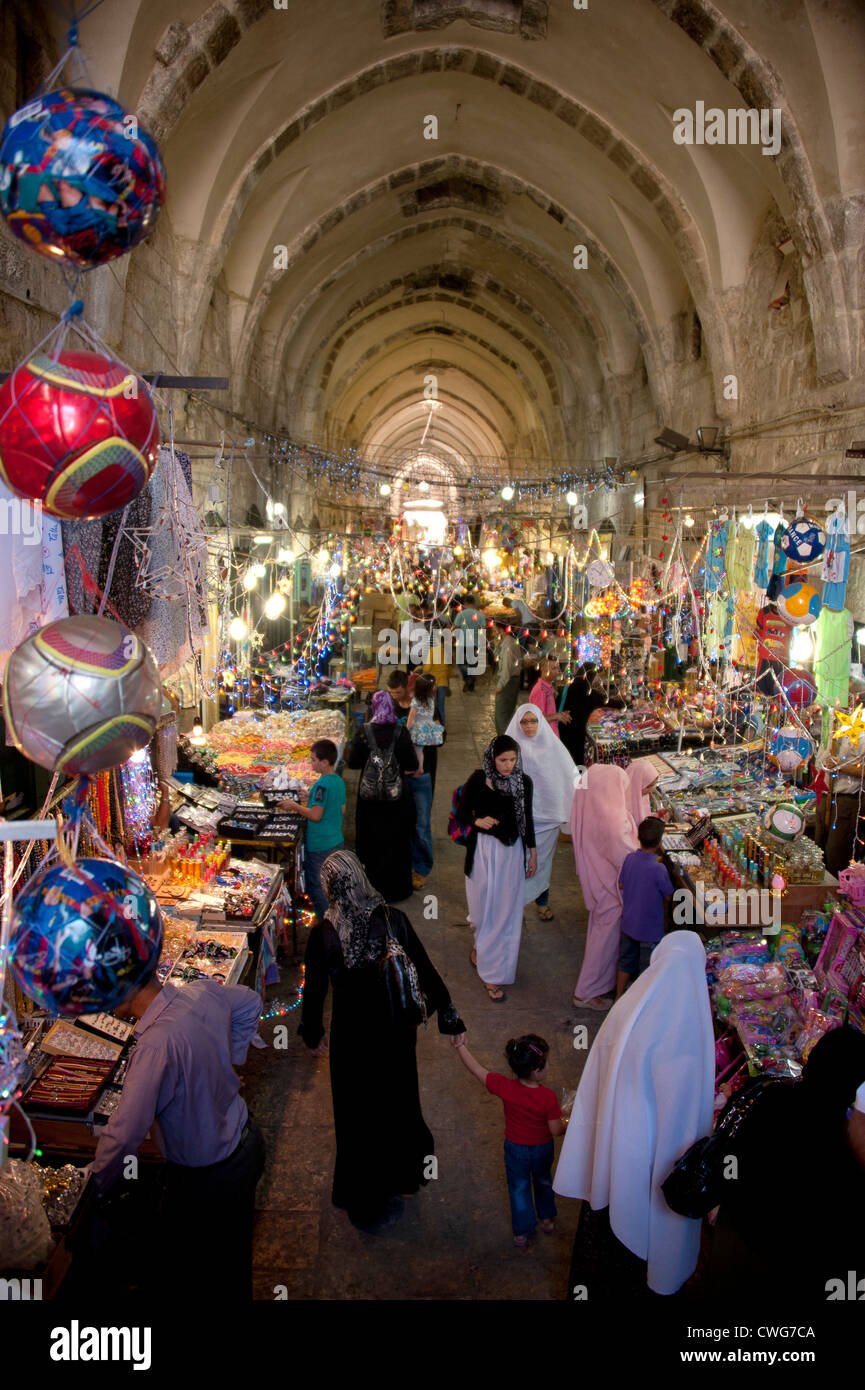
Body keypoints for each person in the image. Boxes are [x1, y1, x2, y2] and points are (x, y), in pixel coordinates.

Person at [298, 850, 465, 1231]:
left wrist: (313, 1032)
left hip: (351, 1042)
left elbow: (315, 991)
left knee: (356, 1115)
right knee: (397, 1103)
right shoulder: (393, 920)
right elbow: (424, 969)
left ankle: (363, 1198)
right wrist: (450, 1017)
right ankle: (400, 1178)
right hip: (394, 1035)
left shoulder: (323, 934)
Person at [554, 932, 715, 1297]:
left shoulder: (628, 1007)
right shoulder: (685, 1034)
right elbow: (682, 1128)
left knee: (604, 1240)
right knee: (639, 1251)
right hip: (650, 1169)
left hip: (614, 1152)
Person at [91, 972, 265, 1299]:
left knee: (199, 1277)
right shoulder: (200, 992)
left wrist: (95, 1183)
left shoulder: (155, 1046)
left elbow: (126, 1134)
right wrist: (230, 1061)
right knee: (232, 1266)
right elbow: (250, 1002)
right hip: (245, 1144)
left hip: (211, 1178)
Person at [709, 1027, 865, 1300]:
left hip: (734, 1241)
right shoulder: (841, 1150)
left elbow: (732, 1159)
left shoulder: (772, 1098)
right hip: (779, 1273)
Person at [452, 1032, 565, 1246]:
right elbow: (555, 1130)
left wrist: (460, 1046)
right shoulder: (548, 1097)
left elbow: (477, 1069)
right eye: (547, 1062)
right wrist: (567, 1121)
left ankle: (521, 1232)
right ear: (537, 1071)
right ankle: (547, 1220)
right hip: (541, 1150)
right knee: (543, 1181)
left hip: (515, 1150)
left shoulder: (505, 1087)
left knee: (519, 1188)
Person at [456, 734, 537, 1002]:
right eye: (503, 760)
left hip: (510, 854)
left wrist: (532, 852)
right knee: (481, 912)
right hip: (482, 853)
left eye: (512, 759)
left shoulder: (523, 783)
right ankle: (480, 948)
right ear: (492, 758)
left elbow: (527, 821)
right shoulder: (478, 780)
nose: (508, 765)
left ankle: (492, 973)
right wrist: (477, 821)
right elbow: (462, 813)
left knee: (503, 914)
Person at [571, 763, 638, 1010]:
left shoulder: (590, 804)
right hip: (609, 882)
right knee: (604, 937)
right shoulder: (612, 818)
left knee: (600, 931)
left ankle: (595, 985)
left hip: (595, 876)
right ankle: (586, 992)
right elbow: (623, 851)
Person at [506, 703, 576, 920]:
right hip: (517, 819)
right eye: (524, 722)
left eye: (533, 721)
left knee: (543, 863)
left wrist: (563, 807)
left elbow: (568, 776)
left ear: (540, 722)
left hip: (547, 819)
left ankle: (542, 902)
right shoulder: (509, 749)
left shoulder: (553, 747)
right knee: (515, 864)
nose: (528, 726)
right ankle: (512, 904)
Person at [347, 690, 417, 901]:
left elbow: (353, 763)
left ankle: (371, 890)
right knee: (396, 843)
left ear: (373, 708)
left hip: (369, 802)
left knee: (371, 845)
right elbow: (412, 764)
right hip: (396, 800)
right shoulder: (401, 732)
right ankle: (397, 890)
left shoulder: (363, 732)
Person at [279, 738, 345, 923]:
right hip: (335, 841)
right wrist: (312, 797)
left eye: (313, 760)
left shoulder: (322, 785)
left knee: (318, 889)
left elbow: (315, 815)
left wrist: (295, 806)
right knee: (332, 888)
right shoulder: (337, 781)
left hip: (320, 845)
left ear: (325, 762)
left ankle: (327, 927)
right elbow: (340, 808)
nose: (311, 763)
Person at [615, 816, 674, 998]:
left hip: (629, 923)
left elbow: (621, 884)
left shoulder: (630, 859)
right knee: (646, 970)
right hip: (650, 928)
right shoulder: (659, 869)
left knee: (625, 962)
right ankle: (640, 1004)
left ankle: (618, 998)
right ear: (659, 843)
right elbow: (668, 895)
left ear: (638, 838)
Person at [406, 673, 442, 889]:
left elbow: (440, 739)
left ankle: (421, 866)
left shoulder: (420, 704)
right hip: (408, 772)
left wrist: (408, 731)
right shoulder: (429, 702)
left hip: (422, 775)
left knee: (421, 824)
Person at [560, 665, 625, 766]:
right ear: (589, 675)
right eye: (595, 675)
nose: (597, 678)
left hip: (563, 730)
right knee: (576, 763)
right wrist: (625, 703)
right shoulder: (588, 693)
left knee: (565, 761)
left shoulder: (570, 687)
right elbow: (611, 702)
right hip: (576, 734)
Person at [528, 658, 571, 739]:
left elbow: (547, 713)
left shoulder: (547, 687)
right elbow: (536, 719)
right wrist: (556, 716)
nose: (557, 672)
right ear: (543, 669)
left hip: (550, 736)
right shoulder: (541, 690)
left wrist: (560, 715)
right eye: (553, 668)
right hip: (544, 738)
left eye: (558, 668)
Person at [493, 623, 523, 734]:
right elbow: (497, 658)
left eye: (494, 630)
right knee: (505, 715)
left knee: (502, 716)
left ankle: (504, 740)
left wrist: (500, 685)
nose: (493, 633)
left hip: (508, 683)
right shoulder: (505, 642)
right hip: (510, 681)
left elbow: (507, 667)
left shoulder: (509, 644)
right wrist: (497, 645)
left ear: (501, 630)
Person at [453, 593, 483, 690]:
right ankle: (471, 684)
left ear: (465, 603)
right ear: (474, 603)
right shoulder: (479, 615)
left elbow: (455, 627)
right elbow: (483, 629)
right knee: (473, 665)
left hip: (462, 642)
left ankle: (467, 679)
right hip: (475, 643)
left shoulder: (461, 614)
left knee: (461, 663)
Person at [625, 758, 659, 827]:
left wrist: (656, 817)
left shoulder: (641, 795)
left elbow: (643, 817)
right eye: (648, 786)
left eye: (653, 785)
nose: (652, 790)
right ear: (637, 784)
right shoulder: (623, 807)